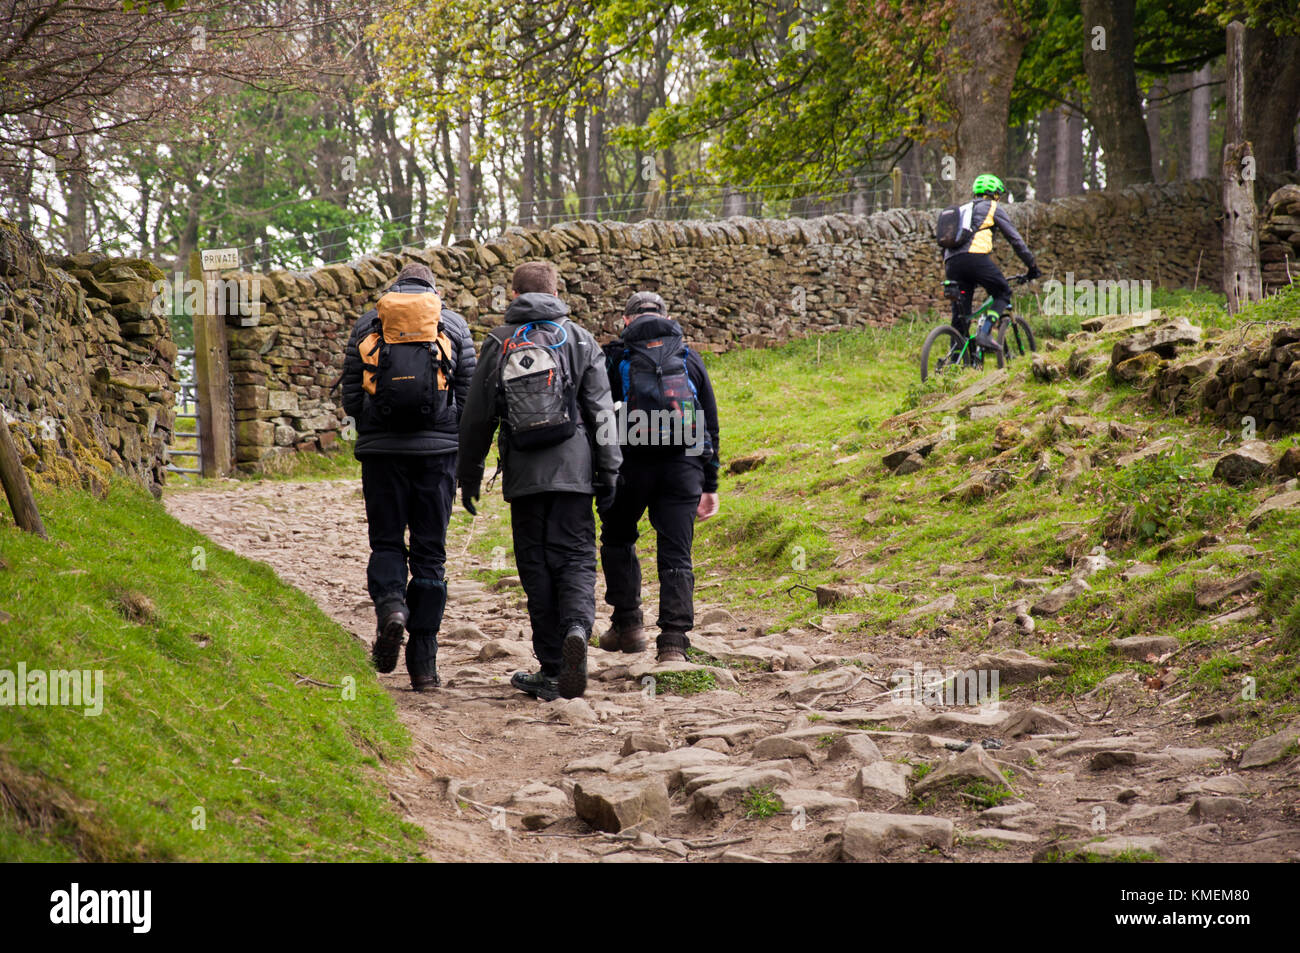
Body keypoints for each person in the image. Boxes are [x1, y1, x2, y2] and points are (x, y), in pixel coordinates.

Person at [457, 261, 622, 701]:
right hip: (575, 472)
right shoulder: (580, 338)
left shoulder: (498, 340)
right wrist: (609, 471)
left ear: (513, 295)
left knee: (536, 567)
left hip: (525, 476)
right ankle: (577, 629)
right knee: (575, 557)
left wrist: (468, 475)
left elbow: (476, 418)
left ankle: (552, 668)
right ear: (556, 292)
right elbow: (602, 412)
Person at [341, 262, 476, 691]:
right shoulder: (451, 323)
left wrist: (374, 425)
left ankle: (392, 609)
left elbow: (349, 396)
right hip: (437, 457)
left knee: (385, 541)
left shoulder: (370, 321)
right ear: (434, 288)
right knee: (430, 554)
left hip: (382, 454)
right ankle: (424, 665)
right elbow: (470, 397)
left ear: (394, 286)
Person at [598, 291, 720, 664]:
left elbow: (598, 414)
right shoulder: (687, 357)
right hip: (682, 467)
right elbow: (709, 423)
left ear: (625, 321)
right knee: (676, 552)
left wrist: (601, 471)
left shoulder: (615, 357)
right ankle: (672, 642)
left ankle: (629, 624)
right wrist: (709, 484)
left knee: (618, 538)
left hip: (628, 465)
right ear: (667, 317)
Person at [943, 173, 1041, 352]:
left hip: (951, 262)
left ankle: (956, 364)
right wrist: (1032, 266)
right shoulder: (993, 207)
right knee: (1003, 292)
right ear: (995, 194)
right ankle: (985, 332)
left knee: (960, 317)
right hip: (974, 259)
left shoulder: (963, 209)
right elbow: (1015, 240)